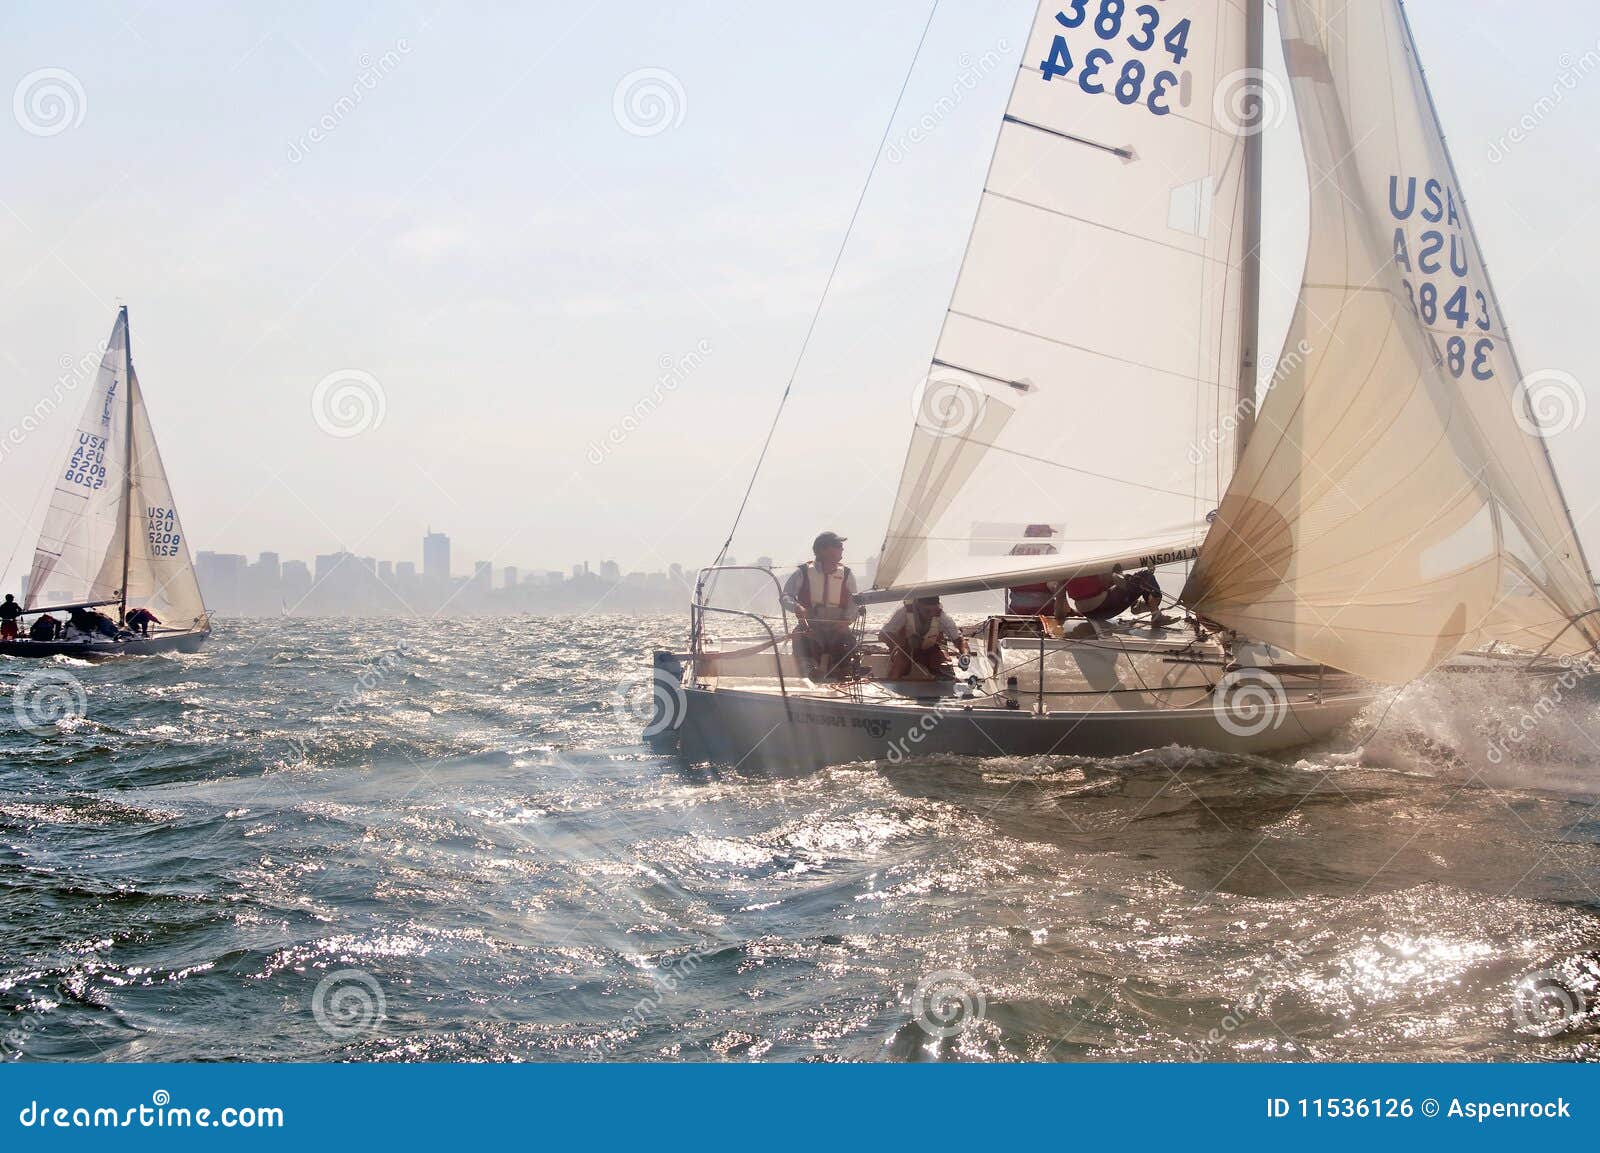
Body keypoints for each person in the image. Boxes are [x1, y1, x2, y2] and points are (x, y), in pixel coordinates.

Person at [781, 531, 861, 681]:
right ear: (823, 550)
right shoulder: (803, 572)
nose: (842, 549)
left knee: (848, 641)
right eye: (838, 546)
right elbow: (786, 596)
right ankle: (810, 672)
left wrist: (847, 620)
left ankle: (843, 671)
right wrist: (796, 607)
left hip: (837, 626)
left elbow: (854, 601)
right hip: (810, 626)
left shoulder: (847, 574)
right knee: (800, 639)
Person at [879, 595, 969, 681]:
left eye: (934, 610)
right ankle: (893, 684)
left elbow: (958, 640)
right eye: (927, 611)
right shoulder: (904, 612)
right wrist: (902, 642)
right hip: (905, 650)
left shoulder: (942, 617)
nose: (931, 614)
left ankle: (937, 689)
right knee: (901, 663)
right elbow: (883, 634)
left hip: (928, 650)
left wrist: (965, 654)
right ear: (918, 606)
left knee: (941, 661)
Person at [1063, 566, 1167, 624]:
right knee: (1146, 576)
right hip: (1104, 608)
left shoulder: (1064, 569)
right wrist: (1132, 579)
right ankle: (1156, 617)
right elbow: (1120, 583)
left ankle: (1137, 606)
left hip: (1089, 614)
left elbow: (1059, 608)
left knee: (1128, 584)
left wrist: (1060, 618)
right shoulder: (1098, 563)